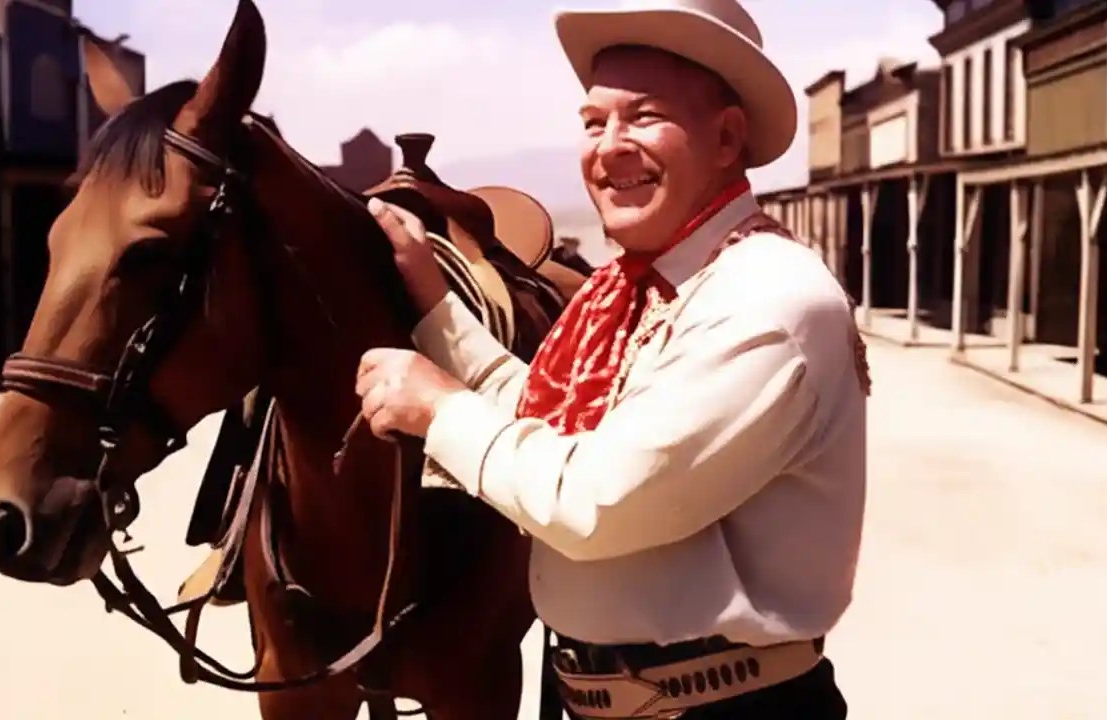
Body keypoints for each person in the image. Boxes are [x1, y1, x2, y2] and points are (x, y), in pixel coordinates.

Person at [354, 0, 870, 717]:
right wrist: (433, 301)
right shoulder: (636, 290)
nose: (610, 147)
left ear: (727, 137)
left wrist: (439, 409)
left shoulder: (767, 298)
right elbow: (544, 419)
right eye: (594, 123)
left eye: (644, 116)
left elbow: (595, 501)